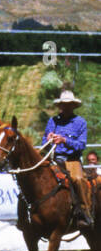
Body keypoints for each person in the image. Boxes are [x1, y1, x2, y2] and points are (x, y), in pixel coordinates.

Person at [42, 89, 93, 232]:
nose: (66, 107)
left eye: (69, 104)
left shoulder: (80, 122)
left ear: (73, 106)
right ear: (60, 106)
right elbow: (43, 142)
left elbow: (81, 145)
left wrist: (64, 140)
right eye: (63, 104)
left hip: (72, 160)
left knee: (78, 179)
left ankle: (85, 212)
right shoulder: (53, 121)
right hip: (54, 158)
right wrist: (48, 139)